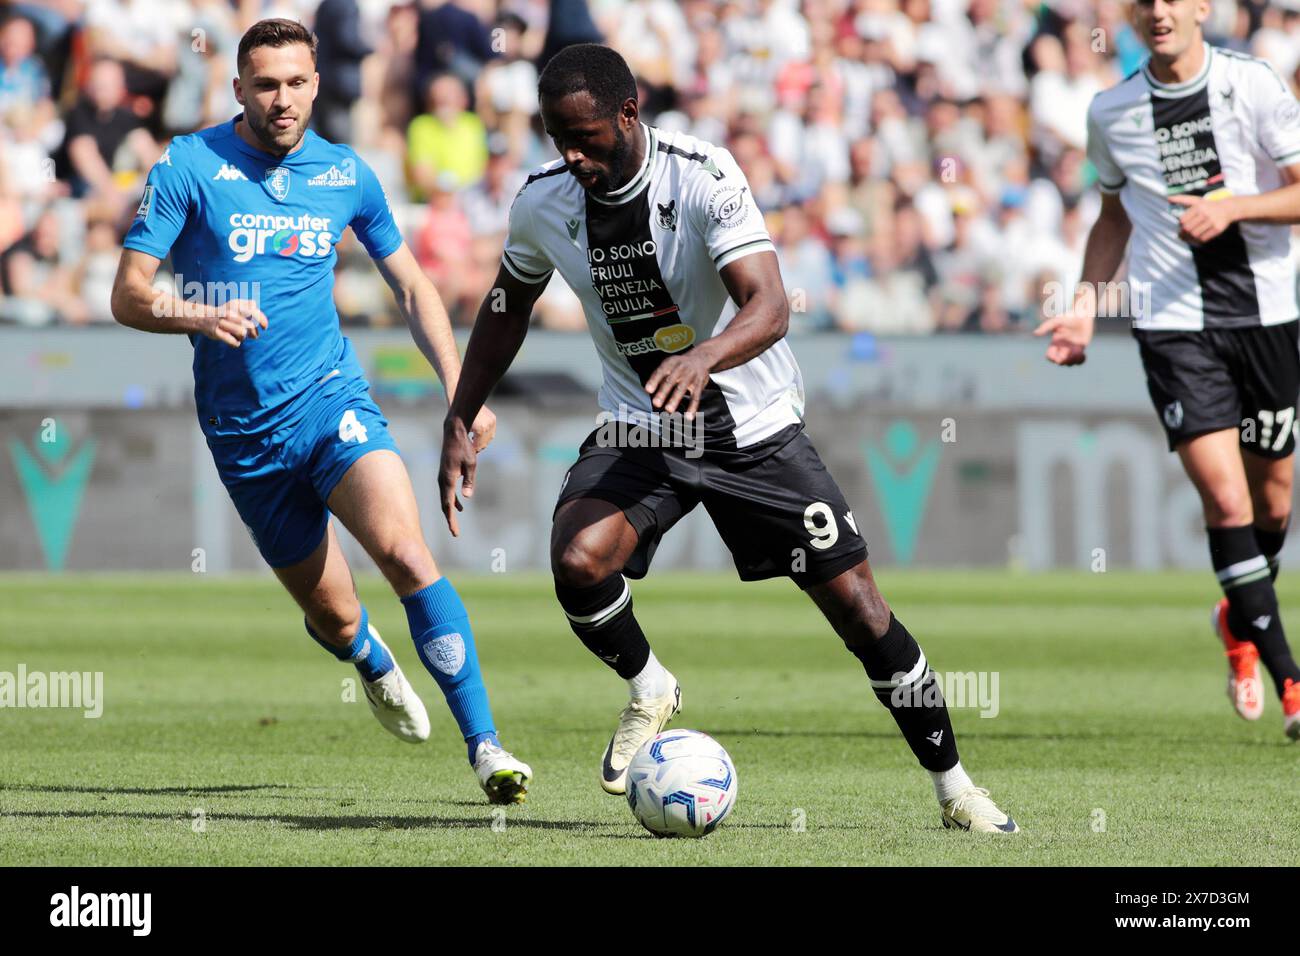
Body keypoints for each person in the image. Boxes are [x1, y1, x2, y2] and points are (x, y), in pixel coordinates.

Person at [440, 43, 1018, 833]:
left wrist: (703, 355)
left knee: (860, 611)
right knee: (578, 559)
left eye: (587, 137)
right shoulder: (543, 202)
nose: (573, 157)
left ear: (628, 113)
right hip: (643, 423)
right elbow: (508, 305)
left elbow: (770, 303)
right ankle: (650, 686)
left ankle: (957, 789)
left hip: (752, 427)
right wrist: (461, 413)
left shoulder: (702, 175)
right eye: (556, 139)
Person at [109, 18, 532, 802]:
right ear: (238, 88)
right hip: (244, 436)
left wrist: (460, 397)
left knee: (406, 554)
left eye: (297, 82)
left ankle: (488, 749)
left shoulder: (346, 174)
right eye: (265, 84)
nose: (283, 99)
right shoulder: (190, 164)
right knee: (337, 621)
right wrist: (197, 315)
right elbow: (127, 293)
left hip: (331, 403)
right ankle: (369, 656)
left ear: (316, 83)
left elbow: (412, 285)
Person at [1036, 0, 1300, 739]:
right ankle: (1292, 685)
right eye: (1142, 1)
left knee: (1273, 502)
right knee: (1224, 498)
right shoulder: (1112, 110)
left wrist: (1235, 209)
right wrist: (1085, 302)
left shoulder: (1254, 86)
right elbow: (1113, 215)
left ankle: (1240, 617)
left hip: (1267, 318)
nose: (1157, 11)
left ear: (1201, 8)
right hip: (1172, 325)